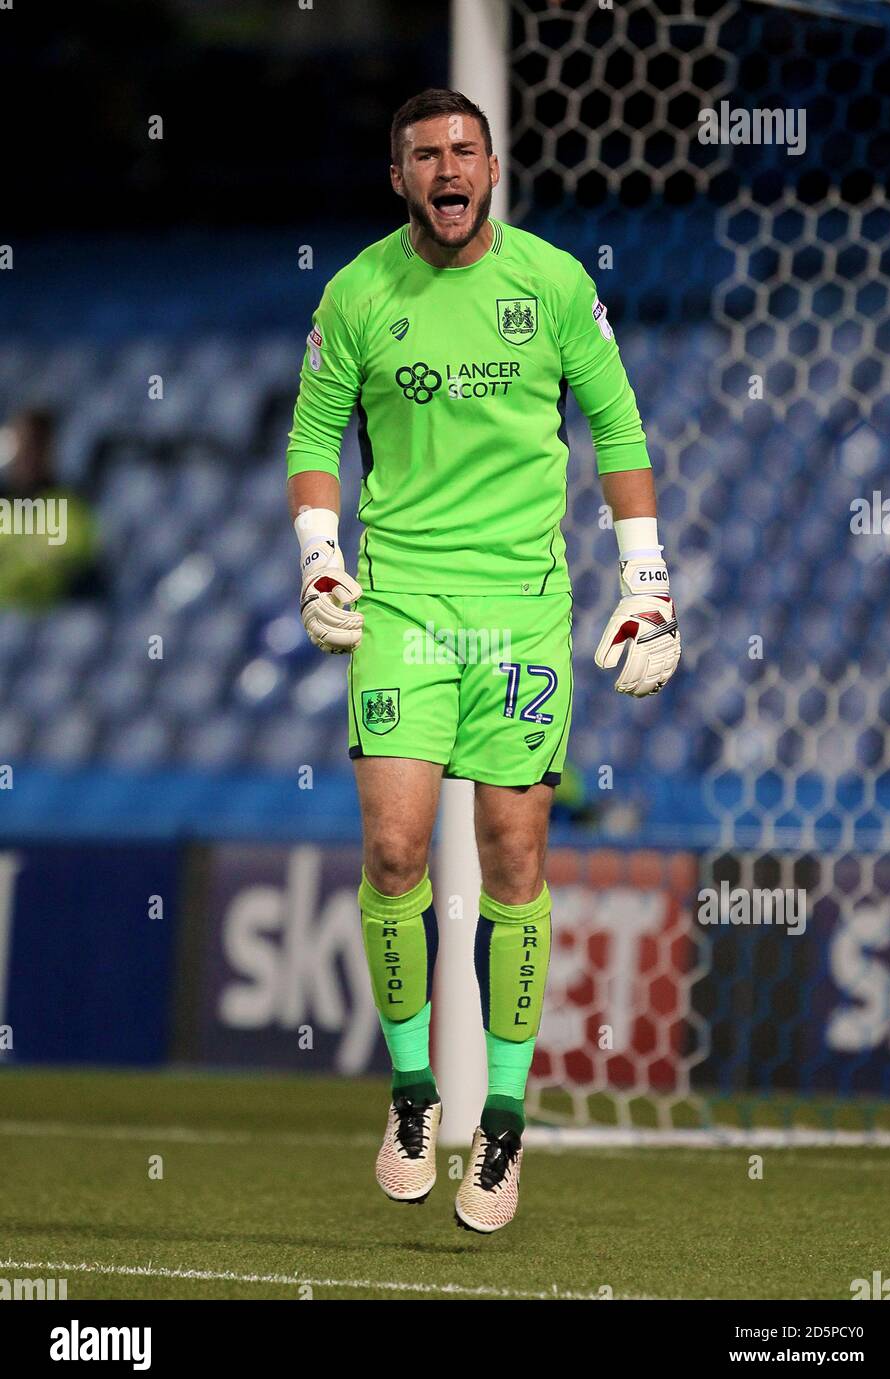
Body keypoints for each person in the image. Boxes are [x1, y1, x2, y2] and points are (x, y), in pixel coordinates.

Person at [285, 89, 680, 1233]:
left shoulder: (553, 285)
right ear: (399, 177)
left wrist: (644, 581)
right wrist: (319, 557)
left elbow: (617, 426)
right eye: (424, 154)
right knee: (395, 847)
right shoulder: (355, 292)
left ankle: (501, 1124)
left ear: (492, 168)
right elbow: (315, 437)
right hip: (404, 600)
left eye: (464, 149)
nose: (446, 168)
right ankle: (414, 1096)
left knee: (510, 859)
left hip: (519, 612)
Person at [0, 407, 99, 609]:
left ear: (46, 451)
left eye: (30, 446)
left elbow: (66, 559)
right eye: (16, 446)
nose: (21, 457)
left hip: (51, 617)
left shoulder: (68, 505)